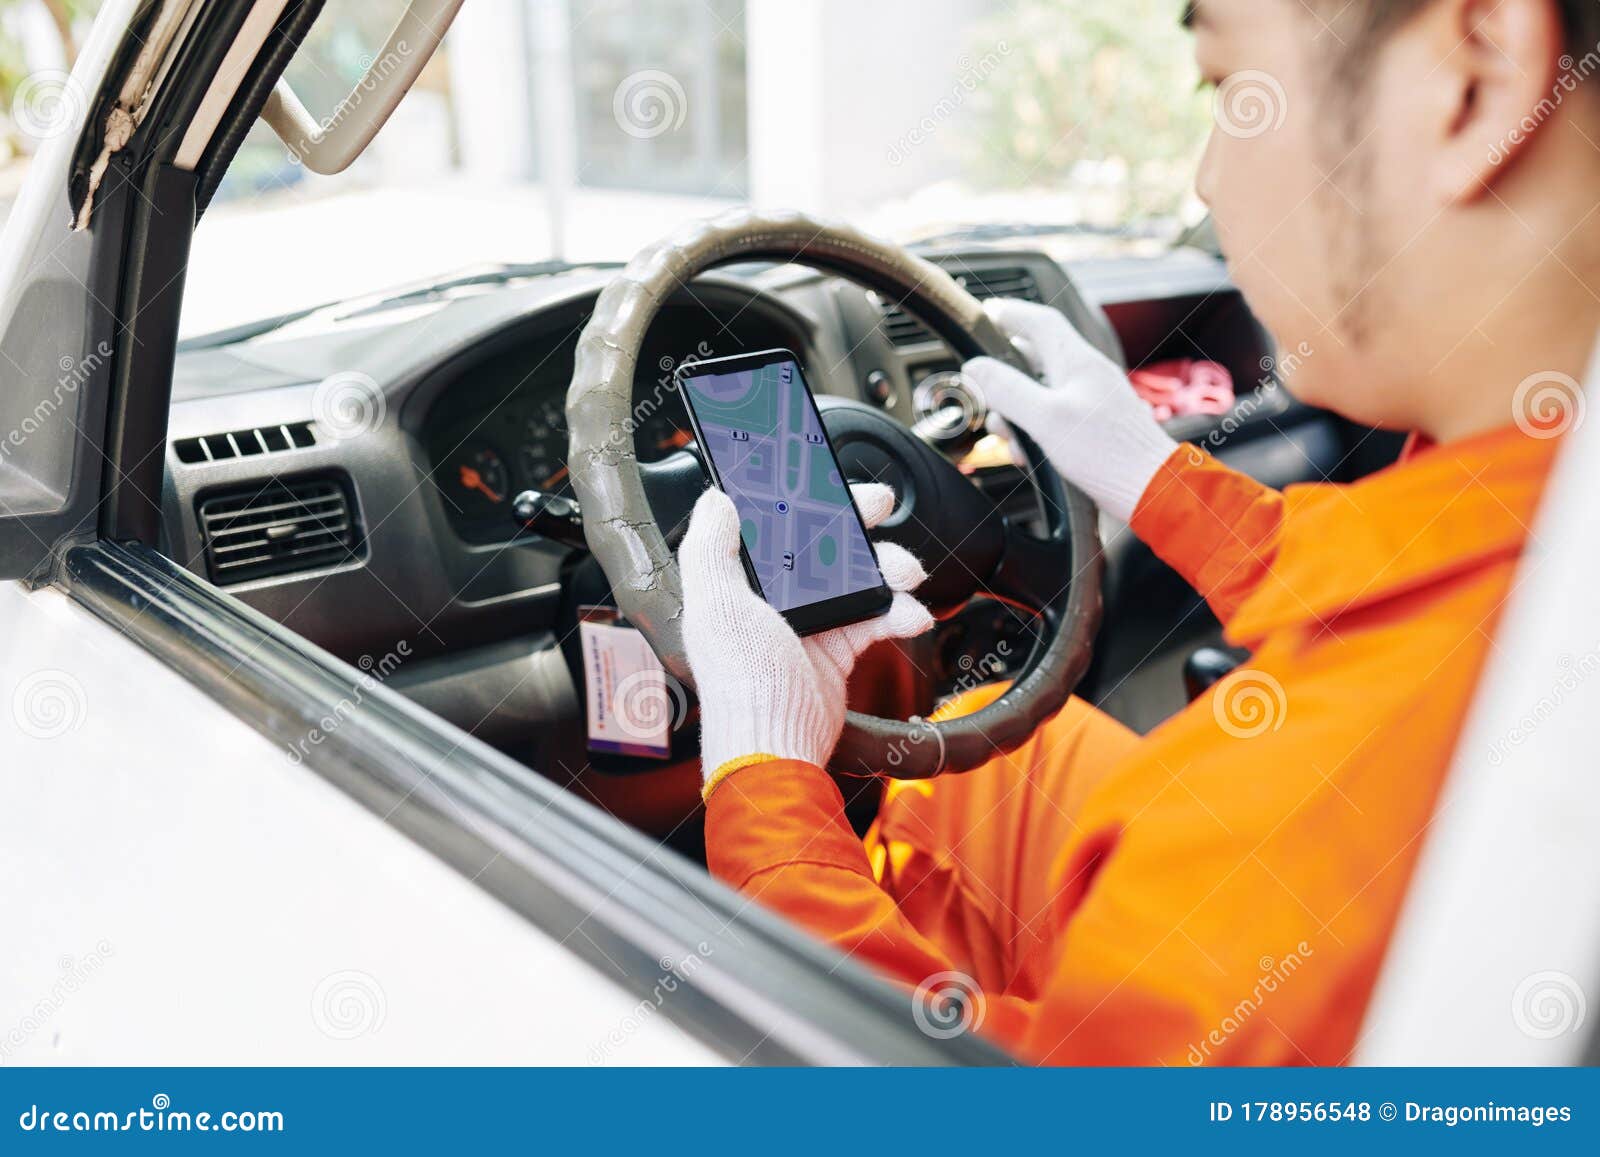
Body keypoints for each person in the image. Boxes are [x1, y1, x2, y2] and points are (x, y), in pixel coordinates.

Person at [679, 0, 1600, 1064]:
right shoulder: (1537, 509)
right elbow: (1401, 578)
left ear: (1474, 71)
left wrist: (760, 774)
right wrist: (1151, 475)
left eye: (1225, 87)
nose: (1205, 182)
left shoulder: (1308, 805)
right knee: (993, 742)